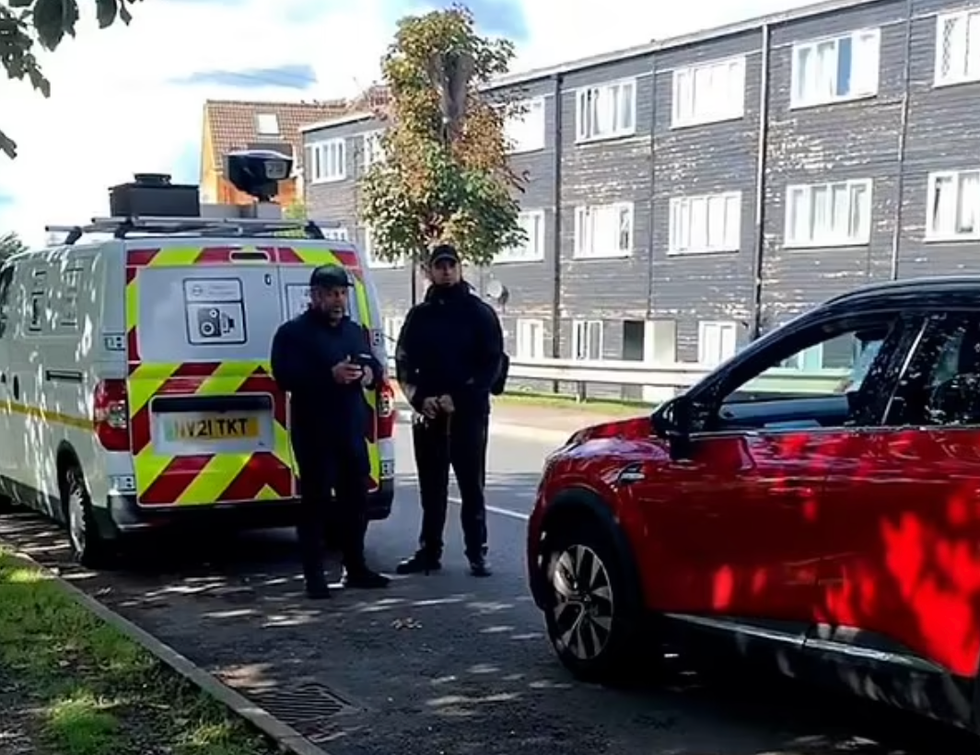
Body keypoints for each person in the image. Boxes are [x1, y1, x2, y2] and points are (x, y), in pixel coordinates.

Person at [270, 264, 389, 599]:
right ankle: (315, 578)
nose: (338, 300)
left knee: (356, 503)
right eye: (331, 294)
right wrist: (329, 375)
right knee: (316, 505)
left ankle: (356, 568)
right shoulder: (293, 333)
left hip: (351, 431)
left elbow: (375, 366)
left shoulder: (353, 331)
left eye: (342, 294)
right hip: (314, 433)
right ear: (315, 296)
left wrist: (368, 374)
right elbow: (284, 376)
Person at [394, 243, 504, 578]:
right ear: (429, 270)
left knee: (471, 485)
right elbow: (404, 362)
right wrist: (418, 398)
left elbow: (492, 365)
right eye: (439, 266)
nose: (446, 271)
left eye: (451, 265)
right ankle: (429, 551)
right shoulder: (419, 316)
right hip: (429, 414)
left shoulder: (479, 313)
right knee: (432, 488)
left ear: (460, 268)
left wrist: (460, 397)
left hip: (468, 413)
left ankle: (477, 552)